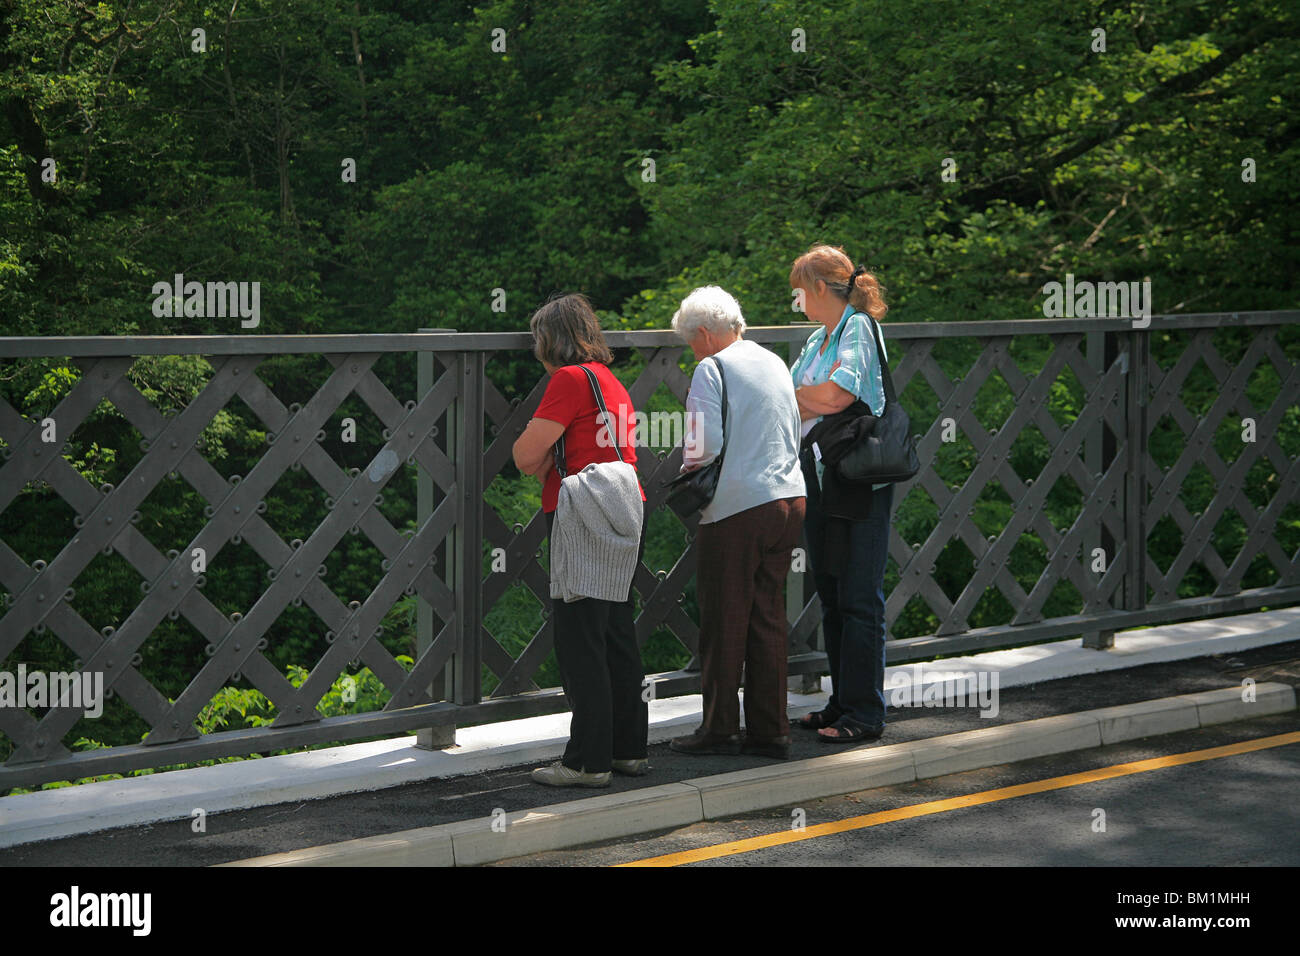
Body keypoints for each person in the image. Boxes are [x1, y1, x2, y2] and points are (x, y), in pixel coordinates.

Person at [512, 293, 649, 786]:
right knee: (615, 630)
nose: (534, 348)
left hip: (582, 515)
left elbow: (526, 458)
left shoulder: (568, 379)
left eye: (536, 338)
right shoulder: (610, 380)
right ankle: (629, 748)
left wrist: (541, 453)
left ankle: (587, 761)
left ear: (550, 339)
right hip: (624, 506)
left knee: (578, 637)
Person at [668, 286, 806, 759]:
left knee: (724, 619)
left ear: (704, 334)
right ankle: (771, 731)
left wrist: (687, 475)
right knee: (767, 616)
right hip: (789, 498)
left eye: (692, 343)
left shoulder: (714, 367)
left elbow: (702, 446)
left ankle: (720, 729)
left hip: (737, 508)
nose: (694, 353)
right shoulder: (773, 362)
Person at [788, 244, 894, 743]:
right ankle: (841, 702)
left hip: (856, 478)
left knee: (858, 597)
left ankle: (867, 712)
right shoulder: (817, 340)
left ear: (816, 288)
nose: (794, 298)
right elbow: (803, 399)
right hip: (821, 476)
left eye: (797, 289)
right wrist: (805, 399)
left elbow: (836, 396)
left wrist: (802, 398)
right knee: (832, 596)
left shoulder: (856, 327)